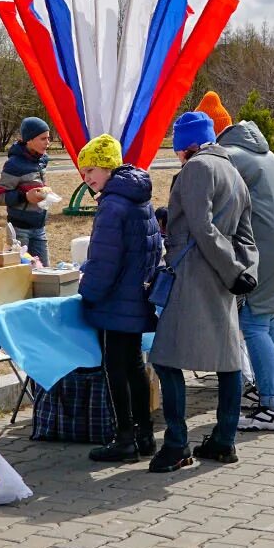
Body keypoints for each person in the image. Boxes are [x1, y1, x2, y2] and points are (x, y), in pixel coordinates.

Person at [150, 112, 257, 471]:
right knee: (227, 360)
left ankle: (177, 445)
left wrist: (230, 269)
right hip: (225, 276)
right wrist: (244, 272)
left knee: (165, 357)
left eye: (178, 149)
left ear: (188, 146)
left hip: (196, 273)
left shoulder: (197, 168)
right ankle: (224, 440)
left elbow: (202, 227)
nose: (178, 156)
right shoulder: (234, 172)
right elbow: (246, 234)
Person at [213, 95, 274, 433]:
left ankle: (272, 405)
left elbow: (218, 209)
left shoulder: (229, 158)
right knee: (266, 321)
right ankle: (268, 392)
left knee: (253, 323)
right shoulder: (262, 153)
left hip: (264, 251)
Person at [75, 134, 162, 463]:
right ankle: (144, 435)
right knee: (134, 365)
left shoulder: (113, 204)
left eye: (91, 170)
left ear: (108, 167)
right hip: (136, 295)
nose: (86, 178)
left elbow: (105, 261)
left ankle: (124, 437)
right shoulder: (139, 196)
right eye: (84, 172)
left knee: (116, 367)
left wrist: (88, 292)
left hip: (116, 300)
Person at [0, 117, 55, 264]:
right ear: (29, 140)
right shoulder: (14, 165)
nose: (47, 143)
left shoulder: (41, 160)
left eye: (48, 138)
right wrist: (25, 196)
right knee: (22, 271)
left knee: (44, 270)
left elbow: (33, 184)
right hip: (20, 229)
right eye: (43, 139)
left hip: (39, 227)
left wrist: (44, 194)